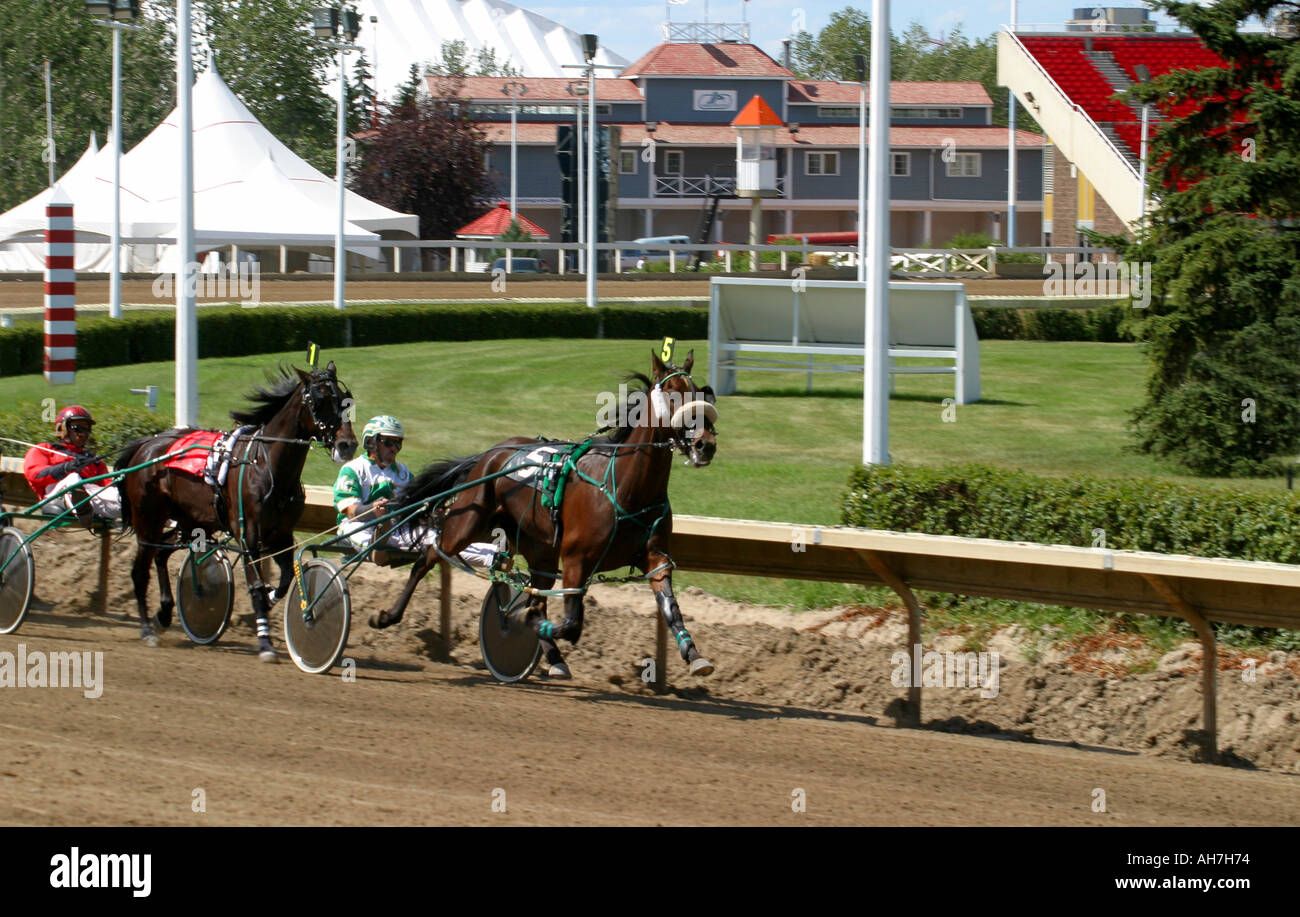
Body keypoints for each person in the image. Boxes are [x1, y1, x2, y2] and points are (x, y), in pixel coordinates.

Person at [333, 415, 495, 567]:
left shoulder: (403, 473)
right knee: (370, 537)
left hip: (396, 529)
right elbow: (351, 511)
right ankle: (377, 547)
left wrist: (431, 513)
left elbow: (415, 507)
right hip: (358, 527)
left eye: (398, 443)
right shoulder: (353, 469)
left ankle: (493, 555)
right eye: (388, 442)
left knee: (441, 541)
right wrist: (373, 510)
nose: (394, 448)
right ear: (371, 442)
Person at [22, 405, 121, 527]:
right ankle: (82, 508)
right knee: (73, 478)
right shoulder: (44, 449)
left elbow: (106, 484)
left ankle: (86, 508)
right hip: (55, 497)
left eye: (87, 430)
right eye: (78, 429)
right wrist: (66, 468)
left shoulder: (94, 461)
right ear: (62, 428)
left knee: (120, 495)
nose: (83, 434)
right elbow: (34, 475)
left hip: (90, 497)